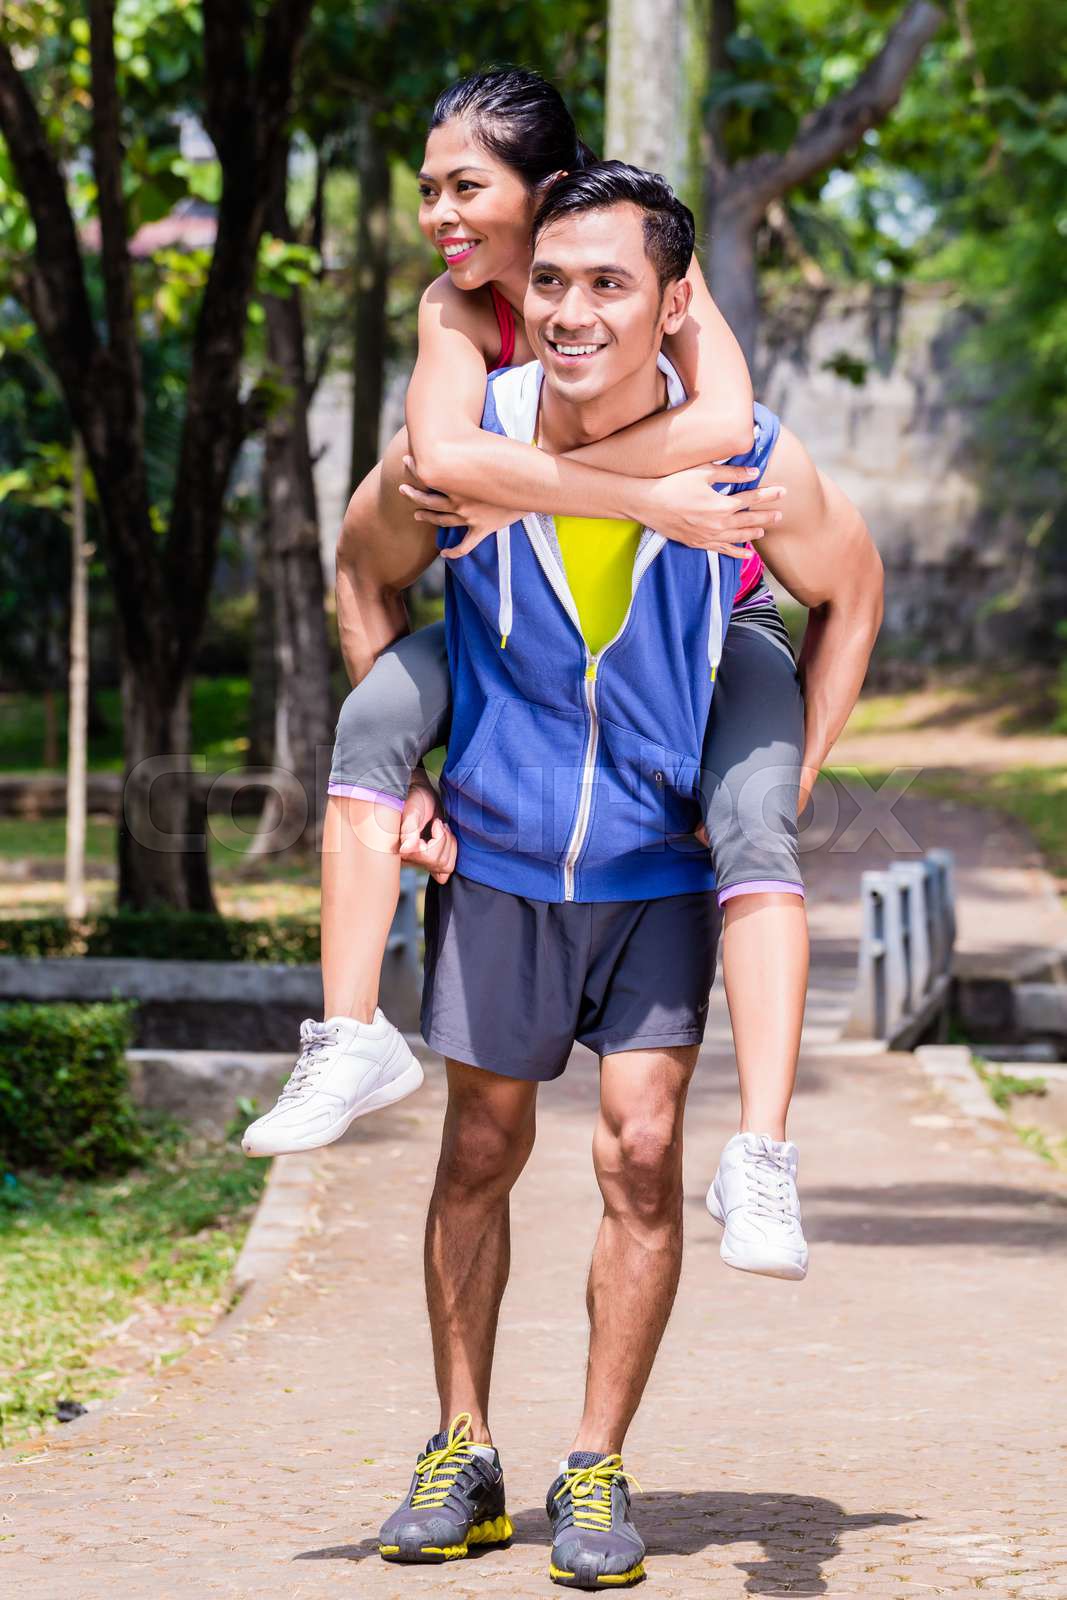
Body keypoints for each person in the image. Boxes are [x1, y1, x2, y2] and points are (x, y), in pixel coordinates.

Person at [365, 163, 883, 1588]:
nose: (571, 311)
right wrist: (406, 768)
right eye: (549, 280)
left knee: (642, 1152)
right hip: (502, 853)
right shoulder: (462, 439)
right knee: (479, 1149)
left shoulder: (744, 463)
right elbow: (363, 567)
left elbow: (852, 591)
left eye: (608, 284)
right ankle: (462, 1451)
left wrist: (786, 776)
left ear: (671, 304)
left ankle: (591, 1465)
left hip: (656, 862)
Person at [242, 69, 816, 1281]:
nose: (440, 217)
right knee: (372, 725)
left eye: (466, 188)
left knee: (748, 827)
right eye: (427, 191)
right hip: (505, 609)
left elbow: (725, 424)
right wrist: (633, 497)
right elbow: (439, 463)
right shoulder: (452, 314)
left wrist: (541, 490)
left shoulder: (639, 267)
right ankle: (347, 1031)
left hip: (679, 610)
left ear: (546, 191)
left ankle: (762, 1150)